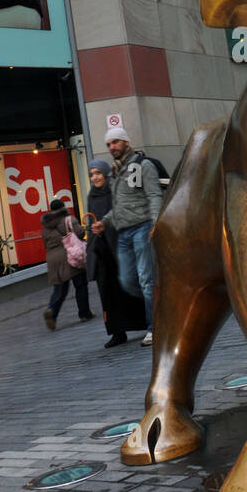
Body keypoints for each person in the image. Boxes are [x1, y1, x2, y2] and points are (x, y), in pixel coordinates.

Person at [90, 125, 162, 346]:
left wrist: (156, 223)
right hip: (123, 233)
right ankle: (163, 306)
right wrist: (104, 222)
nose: (112, 147)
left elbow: (153, 195)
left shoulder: (141, 165)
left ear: (126, 142)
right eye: (109, 144)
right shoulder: (117, 171)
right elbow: (121, 206)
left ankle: (155, 327)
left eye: (115, 142)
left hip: (141, 228)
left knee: (145, 280)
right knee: (127, 281)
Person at [85, 158, 141, 348]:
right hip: (101, 249)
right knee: (106, 291)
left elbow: (122, 214)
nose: (95, 177)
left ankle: (145, 323)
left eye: (98, 173)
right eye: (92, 174)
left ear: (106, 173)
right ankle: (117, 331)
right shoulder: (91, 196)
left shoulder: (115, 190)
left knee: (128, 284)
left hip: (119, 244)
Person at [41, 197, 93, 330]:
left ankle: (51, 311)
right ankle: (84, 313)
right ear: (63, 207)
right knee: (80, 284)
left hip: (53, 260)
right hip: (71, 256)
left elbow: (45, 243)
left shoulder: (45, 226)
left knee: (59, 289)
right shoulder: (68, 219)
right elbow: (80, 233)